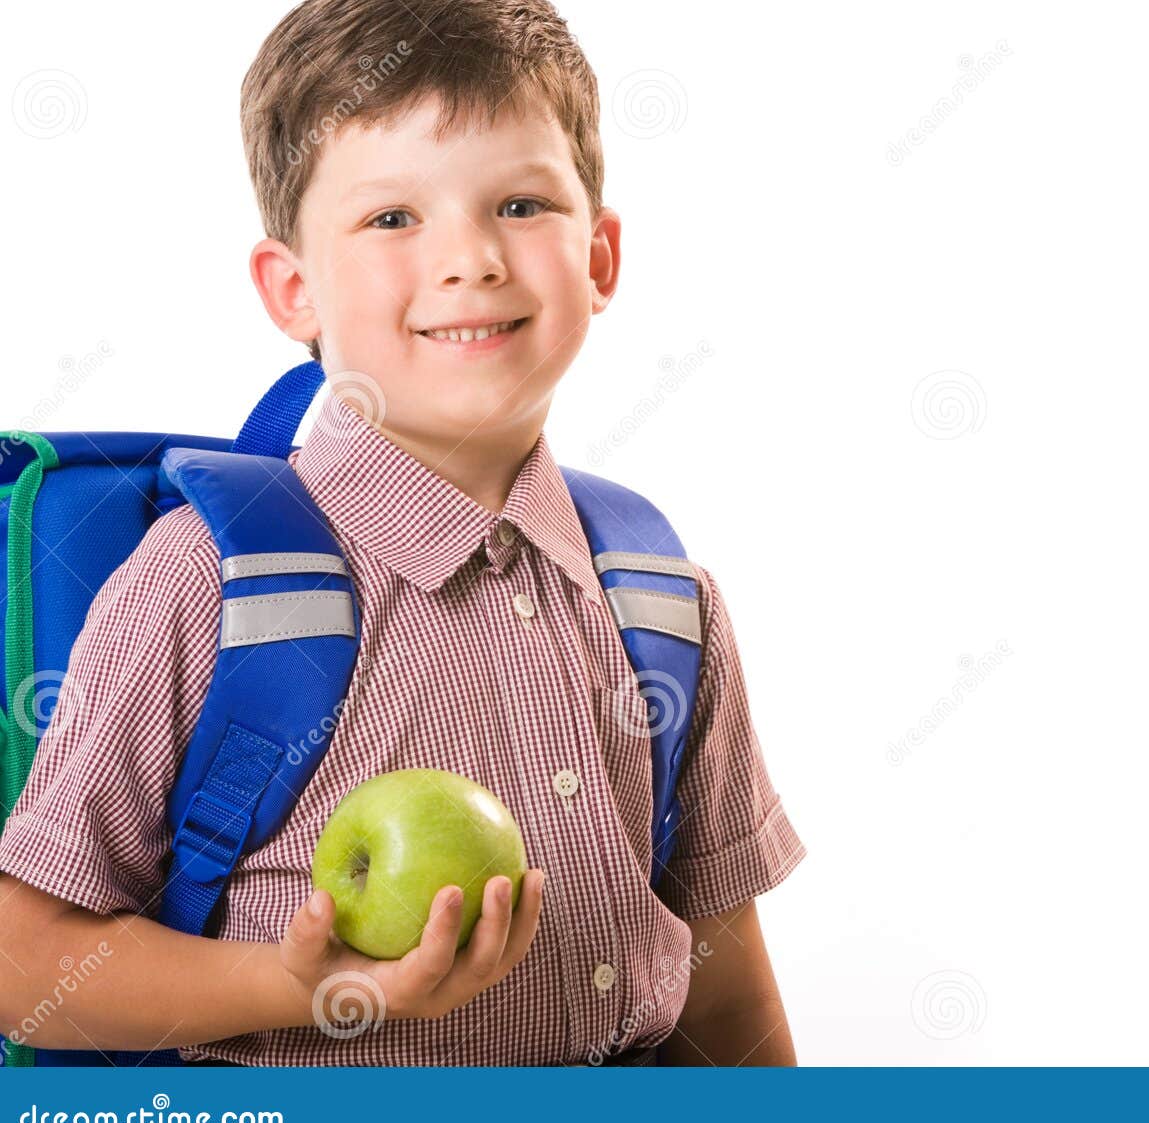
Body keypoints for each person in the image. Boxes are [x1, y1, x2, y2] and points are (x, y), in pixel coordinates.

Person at [0, 0, 805, 1066]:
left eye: (521, 203)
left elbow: (720, 958)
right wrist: (290, 983)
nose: (470, 258)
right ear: (292, 289)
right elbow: (22, 957)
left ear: (599, 256)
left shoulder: (662, 597)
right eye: (392, 219)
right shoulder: (206, 584)